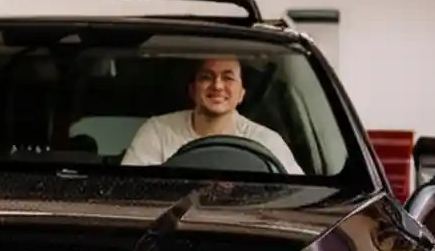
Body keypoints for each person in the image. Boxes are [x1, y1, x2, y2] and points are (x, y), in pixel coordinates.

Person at [121, 56, 304, 174]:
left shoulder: (267, 141)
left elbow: (294, 196)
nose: (217, 86)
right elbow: (132, 191)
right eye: (207, 77)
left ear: (241, 93)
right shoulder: (158, 131)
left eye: (228, 78)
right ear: (193, 90)